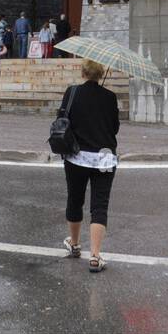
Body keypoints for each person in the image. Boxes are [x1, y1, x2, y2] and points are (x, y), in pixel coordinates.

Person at [58, 59, 119, 273]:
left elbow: (61, 120)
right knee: (99, 206)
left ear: (83, 73)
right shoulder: (110, 97)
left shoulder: (72, 92)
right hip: (104, 158)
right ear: (100, 74)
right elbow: (115, 127)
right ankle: (95, 256)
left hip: (76, 157)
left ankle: (74, 244)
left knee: (75, 199)